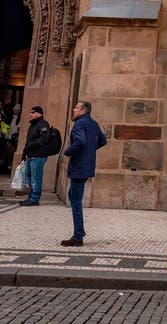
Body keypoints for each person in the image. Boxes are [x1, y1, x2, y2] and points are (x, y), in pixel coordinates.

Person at [61, 99, 107, 246]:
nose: (74, 109)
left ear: (83, 111)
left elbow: (80, 142)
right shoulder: (93, 123)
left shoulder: (79, 124)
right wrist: (89, 151)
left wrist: (68, 151)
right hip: (87, 166)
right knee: (72, 195)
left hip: (79, 167)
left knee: (75, 201)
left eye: (76, 107)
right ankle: (80, 231)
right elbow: (103, 141)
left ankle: (78, 236)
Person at [19, 105, 51, 207]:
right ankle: (30, 197)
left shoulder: (43, 124)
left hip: (38, 155)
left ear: (38, 113)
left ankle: (35, 199)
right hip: (31, 155)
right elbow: (28, 141)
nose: (31, 114)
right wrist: (24, 153)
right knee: (29, 178)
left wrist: (32, 144)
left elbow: (45, 138)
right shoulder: (33, 125)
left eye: (33, 112)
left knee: (36, 178)